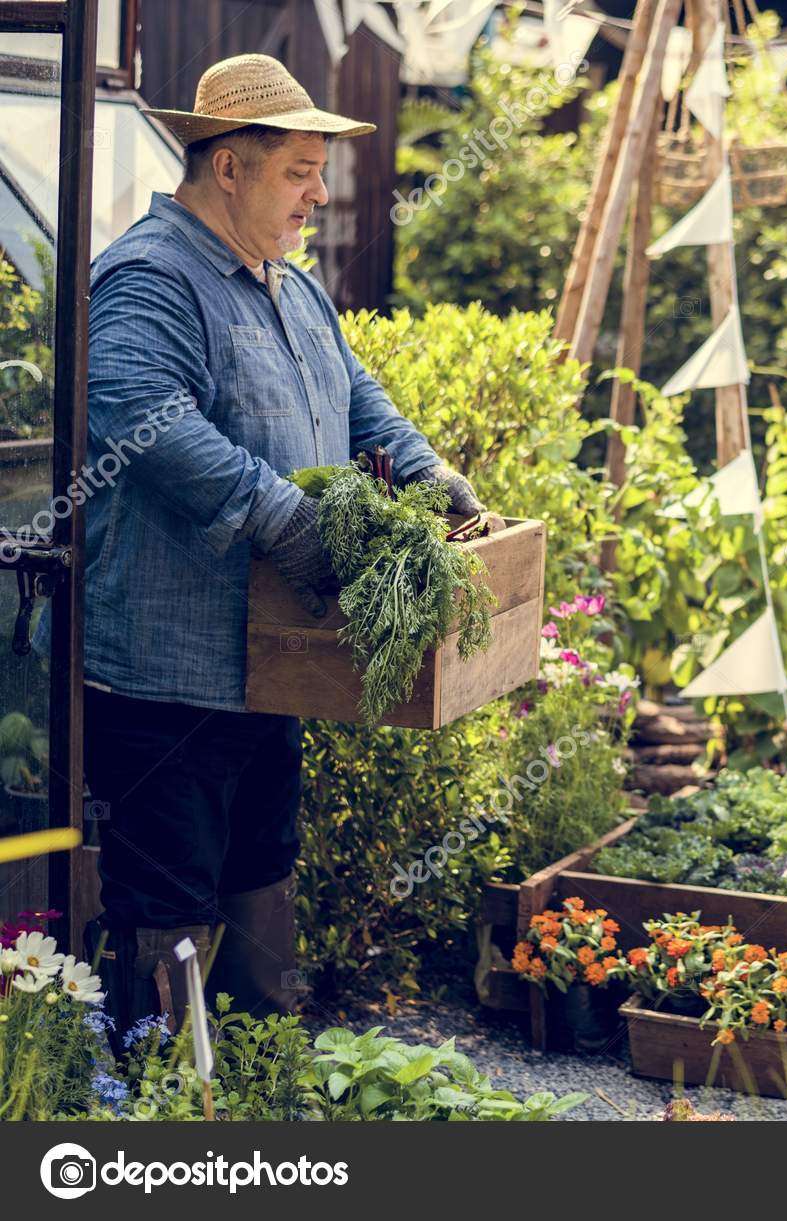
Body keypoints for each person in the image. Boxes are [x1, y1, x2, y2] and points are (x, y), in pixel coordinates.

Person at [75, 55, 487, 1033]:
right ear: (228, 166)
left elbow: (360, 398)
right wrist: (295, 526)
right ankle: (153, 1109)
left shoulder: (289, 288)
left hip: (268, 665)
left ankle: (258, 1090)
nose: (319, 192)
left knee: (262, 869)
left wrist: (425, 473)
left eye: (318, 170)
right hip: (165, 673)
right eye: (300, 170)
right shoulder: (148, 277)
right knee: (166, 900)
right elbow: (145, 420)